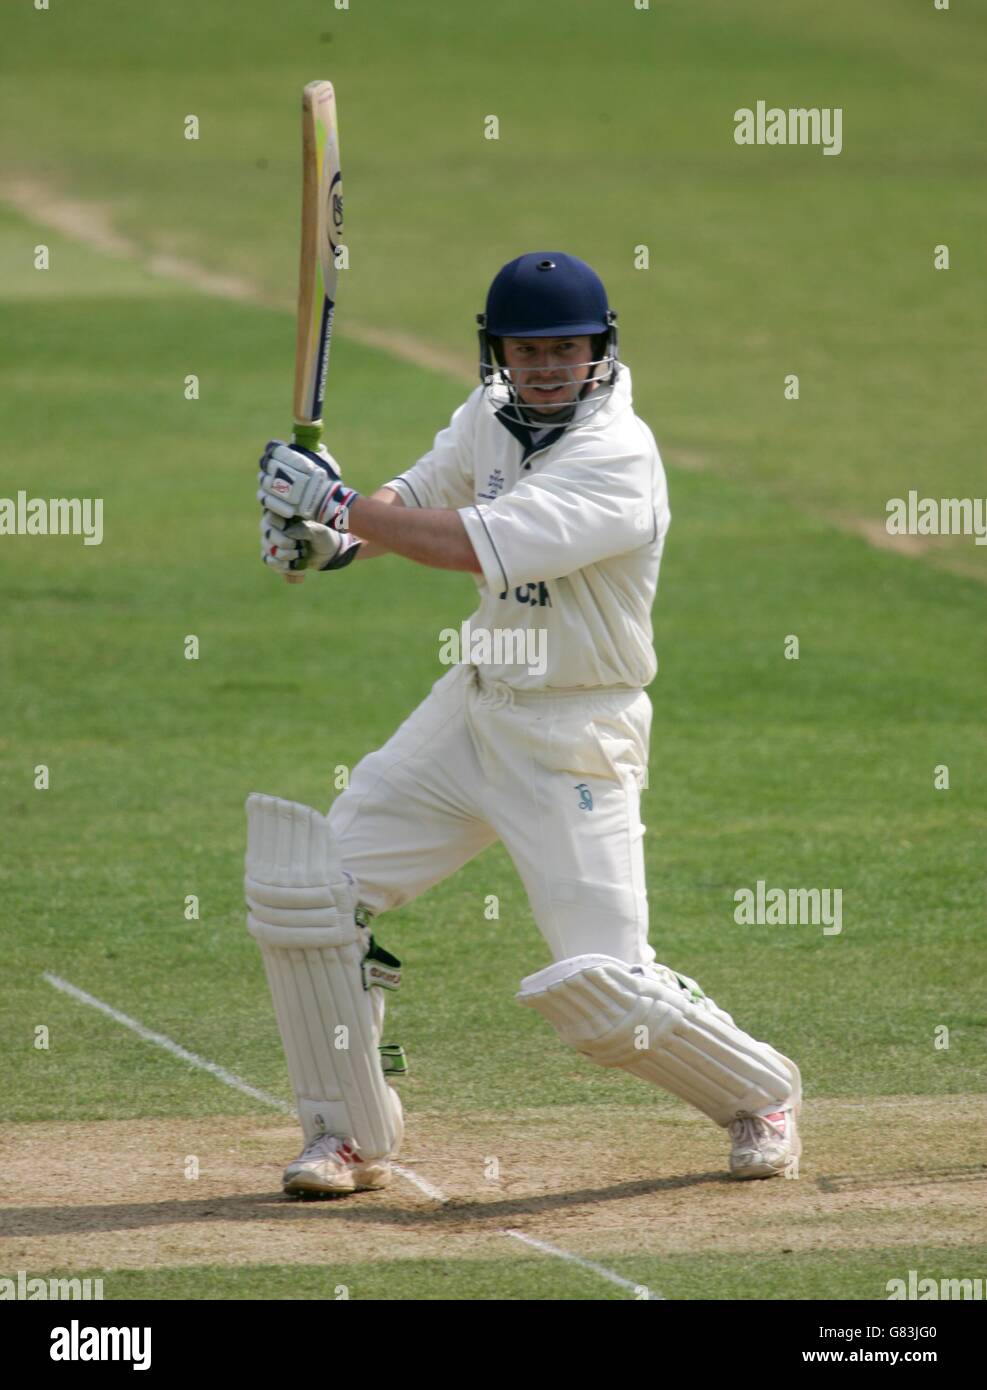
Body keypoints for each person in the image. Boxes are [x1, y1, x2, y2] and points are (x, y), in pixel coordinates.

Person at [249, 251, 801, 1197]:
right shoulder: (485, 419)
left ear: (600, 349)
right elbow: (416, 502)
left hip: (575, 733)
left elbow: (463, 543)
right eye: (526, 348)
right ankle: (346, 1133)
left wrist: (338, 506)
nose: (545, 366)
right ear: (496, 350)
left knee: (606, 992)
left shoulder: (617, 456)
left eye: (565, 349)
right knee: (311, 899)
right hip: (471, 709)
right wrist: (324, 537)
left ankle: (761, 1092)